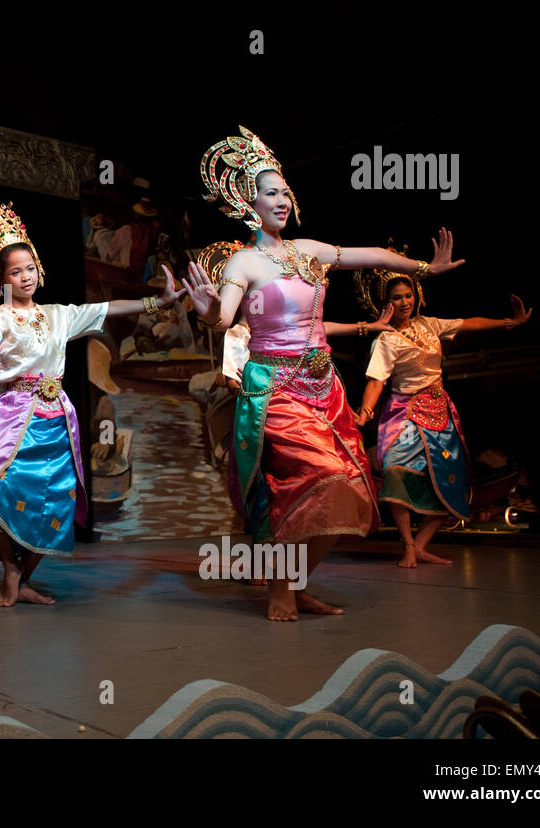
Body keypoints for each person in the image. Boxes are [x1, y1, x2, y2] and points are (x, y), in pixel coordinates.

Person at [182, 125, 465, 621]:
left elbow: (372, 255)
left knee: (352, 485)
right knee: (307, 481)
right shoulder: (243, 262)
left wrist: (425, 268)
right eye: (272, 192)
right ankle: (279, 590)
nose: (283, 199)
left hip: (324, 386)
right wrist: (206, 310)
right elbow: (224, 318)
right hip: (275, 388)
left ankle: (297, 583)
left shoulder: (308, 251)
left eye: (286, 191)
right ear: (251, 201)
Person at [0, 203, 181, 607]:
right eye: (15, 271)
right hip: (16, 415)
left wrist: (159, 303)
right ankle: (10, 571)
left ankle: (25, 575)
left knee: (59, 498)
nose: (25, 276)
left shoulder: (59, 315)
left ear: (39, 267)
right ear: (3, 278)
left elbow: (108, 309)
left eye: (29, 267)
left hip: (57, 418)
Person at [352, 262, 531, 566]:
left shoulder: (429, 324)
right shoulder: (386, 339)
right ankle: (407, 544)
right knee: (397, 473)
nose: (405, 302)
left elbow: (469, 323)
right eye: (397, 297)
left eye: (408, 295)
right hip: (404, 413)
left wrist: (509, 323)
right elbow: (376, 381)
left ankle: (420, 545)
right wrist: (366, 412)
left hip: (440, 411)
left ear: (416, 296)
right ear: (386, 303)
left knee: (454, 479)